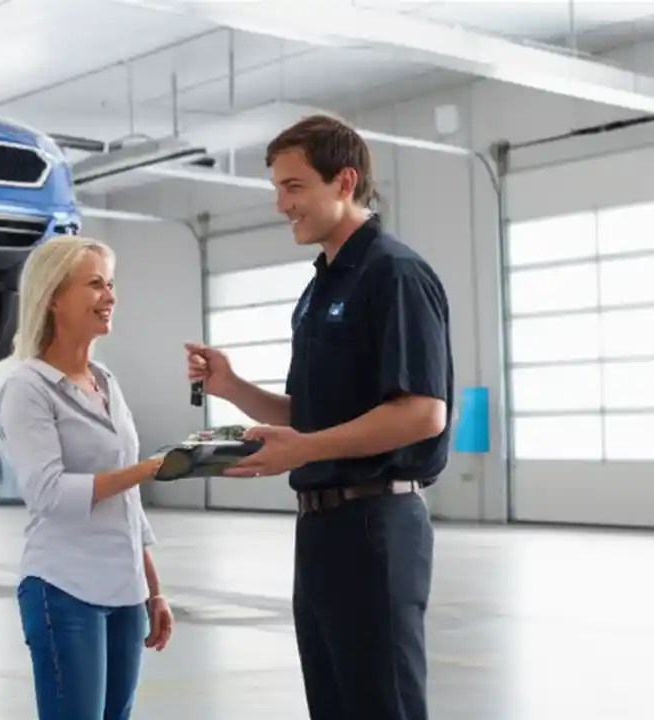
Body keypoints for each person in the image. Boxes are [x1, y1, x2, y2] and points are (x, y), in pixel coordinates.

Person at [187, 114, 453, 720]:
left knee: (382, 705)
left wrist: (302, 449)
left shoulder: (394, 273)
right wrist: (231, 387)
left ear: (344, 181)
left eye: (294, 186)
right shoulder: (319, 288)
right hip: (322, 530)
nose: (282, 204)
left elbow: (421, 413)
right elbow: (309, 418)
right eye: (277, 188)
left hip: (376, 525)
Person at [0, 234, 174, 720]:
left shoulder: (106, 383)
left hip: (125, 592)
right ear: (54, 296)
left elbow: (128, 505)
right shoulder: (27, 389)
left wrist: (153, 591)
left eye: (111, 284)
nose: (110, 297)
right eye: (96, 284)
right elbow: (49, 492)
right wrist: (149, 468)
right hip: (64, 588)